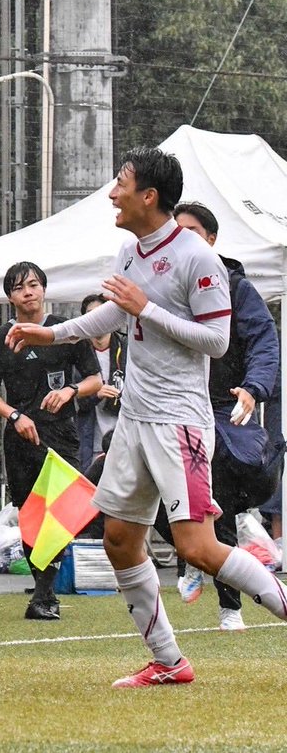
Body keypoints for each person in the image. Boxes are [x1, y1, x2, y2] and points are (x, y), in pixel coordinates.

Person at [6, 146, 287, 688]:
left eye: (121, 183)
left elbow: (217, 340)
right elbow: (114, 313)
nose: (113, 193)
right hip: (134, 418)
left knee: (197, 547)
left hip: (178, 421)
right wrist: (52, 333)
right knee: (119, 540)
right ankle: (169, 661)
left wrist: (146, 308)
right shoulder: (130, 251)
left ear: (149, 196)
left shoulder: (198, 258)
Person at [158, 201, 283, 631]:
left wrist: (253, 387)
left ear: (211, 239)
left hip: (222, 407)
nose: (181, 239)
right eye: (176, 231)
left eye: (191, 231)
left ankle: (229, 604)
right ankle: (191, 553)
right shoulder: (160, 284)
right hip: (169, 405)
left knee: (222, 493)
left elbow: (264, 341)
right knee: (127, 481)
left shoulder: (235, 288)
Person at [0, 262, 102, 620]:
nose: (28, 292)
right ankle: (43, 592)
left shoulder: (64, 331)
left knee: (61, 511)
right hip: (21, 438)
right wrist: (14, 415)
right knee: (31, 514)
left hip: (61, 433)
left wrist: (70, 391)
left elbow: (95, 378)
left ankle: (45, 595)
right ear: (10, 297)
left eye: (33, 285)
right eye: (19, 288)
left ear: (44, 289)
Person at [75, 294, 126, 467]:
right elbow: (72, 398)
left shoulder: (127, 349)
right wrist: (95, 394)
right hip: (90, 440)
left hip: (124, 437)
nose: (96, 319)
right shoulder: (77, 352)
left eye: (101, 313)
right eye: (90, 314)